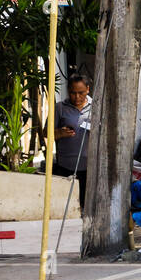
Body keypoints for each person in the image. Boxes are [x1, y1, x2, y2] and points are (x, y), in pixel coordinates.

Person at [53, 72, 91, 208]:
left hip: (89, 167)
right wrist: (60, 133)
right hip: (65, 167)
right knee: (67, 206)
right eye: (73, 93)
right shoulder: (60, 108)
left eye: (81, 93)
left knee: (86, 205)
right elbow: (47, 133)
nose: (77, 97)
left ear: (88, 89)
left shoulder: (96, 107)